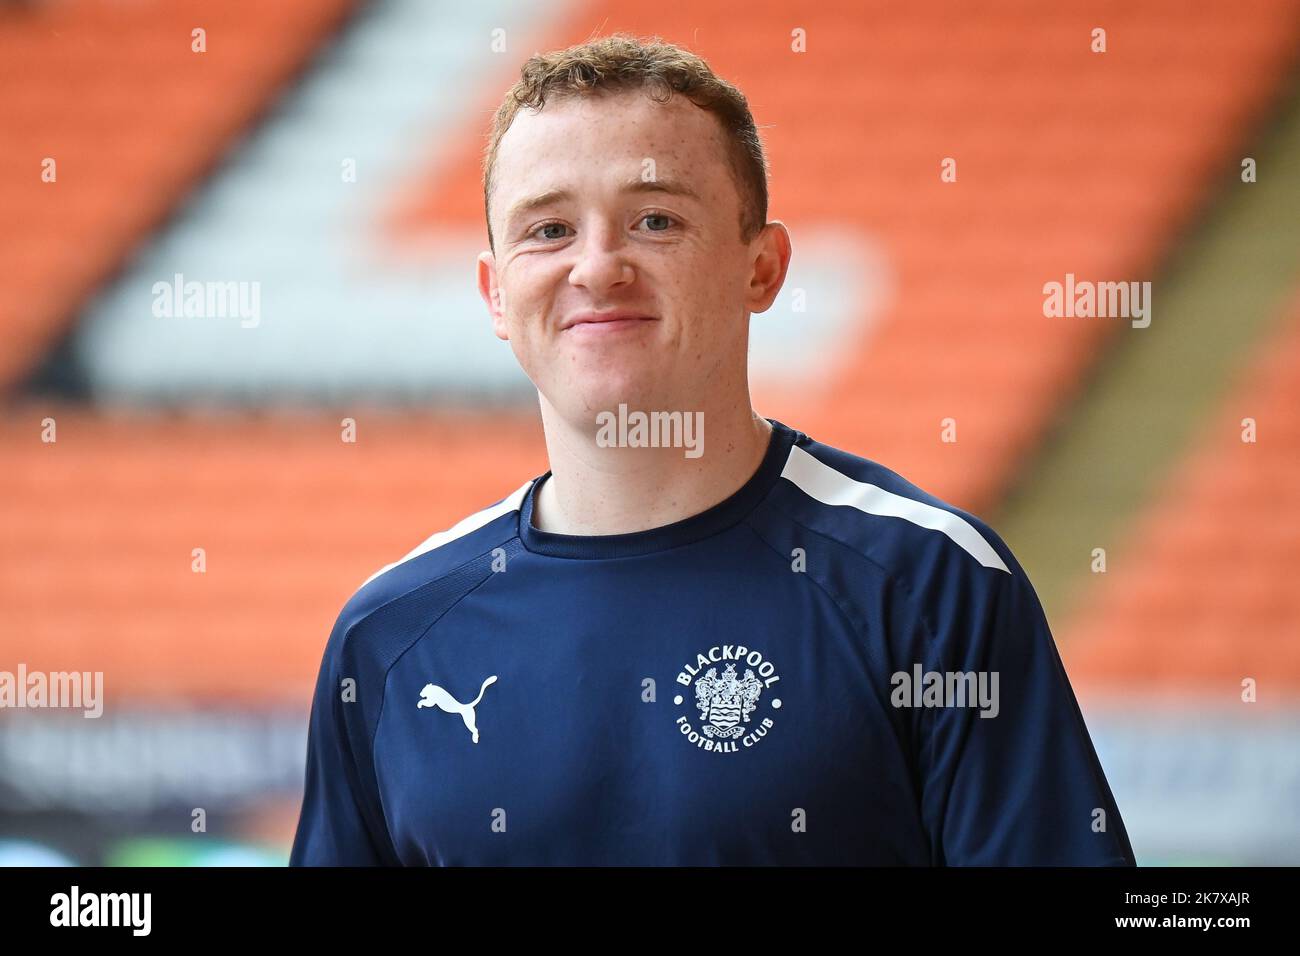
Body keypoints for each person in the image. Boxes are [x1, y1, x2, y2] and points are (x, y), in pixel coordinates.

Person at [289, 33, 1136, 866]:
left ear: (761, 268)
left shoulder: (929, 586)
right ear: (495, 294)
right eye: (548, 229)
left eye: (655, 219)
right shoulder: (389, 637)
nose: (597, 267)